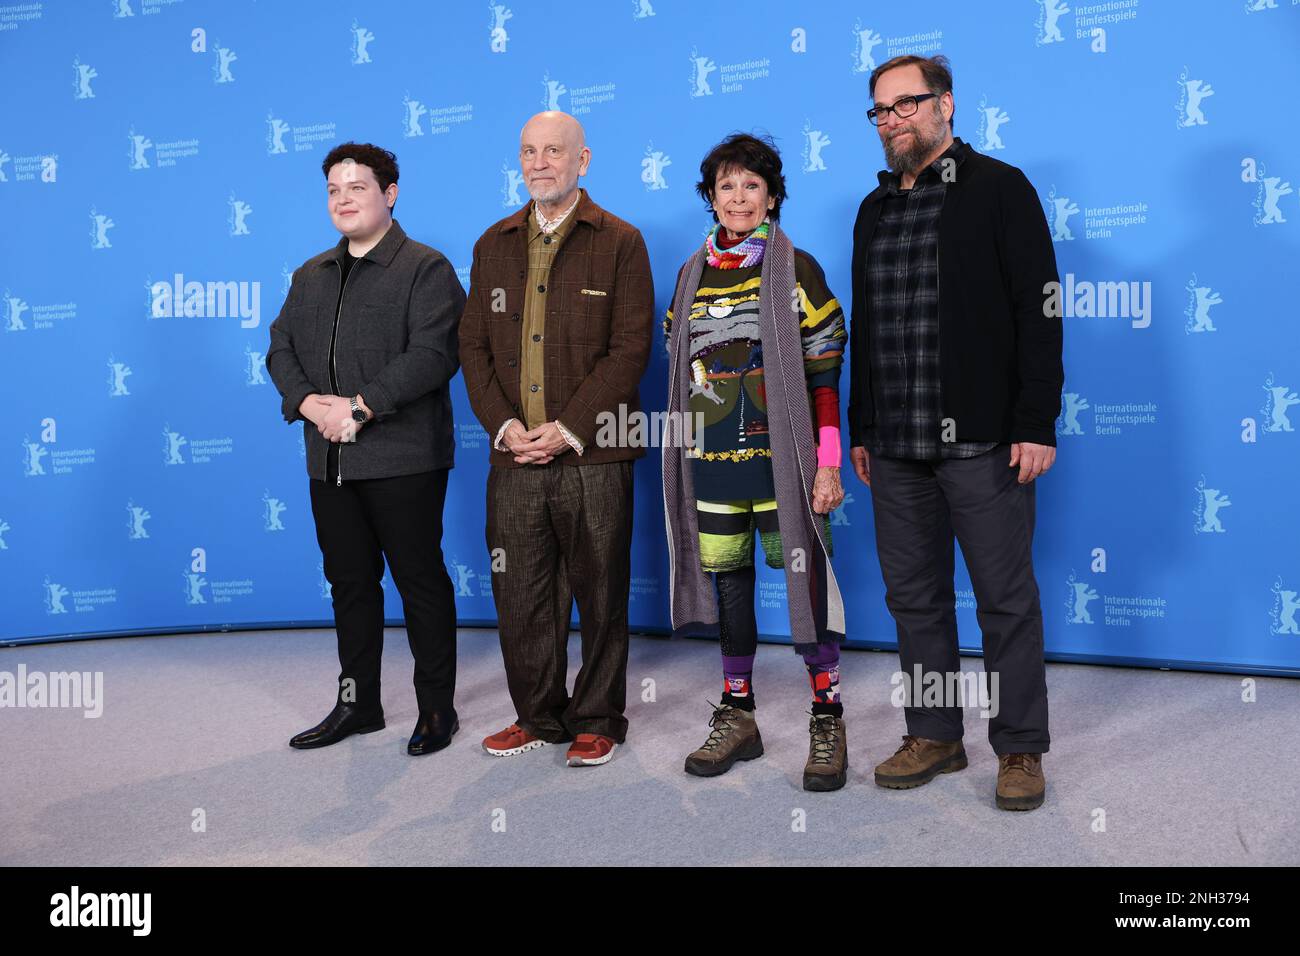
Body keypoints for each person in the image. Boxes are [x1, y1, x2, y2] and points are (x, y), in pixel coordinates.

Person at [847, 55, 1063, 810]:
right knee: (915, 600)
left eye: (906, 105)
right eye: (880, 111)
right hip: (898, 446)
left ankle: (1021, 749)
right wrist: (864, 425)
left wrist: (1036, 422)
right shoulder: (873, 210)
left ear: (945, 106)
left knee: (1005, 600)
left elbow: (1039, 311)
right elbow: (869, 327)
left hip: (982, 441)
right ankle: (935, 734)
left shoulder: (1000, 189)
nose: (892, 121)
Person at [459, 111, 654, 768]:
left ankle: (598, 718)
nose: (539, 162)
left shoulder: (621, 241)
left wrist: (569, 429)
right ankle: (537, 715)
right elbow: (473, 347)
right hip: (513, 457)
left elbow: (630, 350)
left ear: (583, 160)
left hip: (594, 457)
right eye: (528, 151)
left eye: (553, 151)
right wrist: (506, 427)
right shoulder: (492, 244)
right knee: (521, 593)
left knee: (601, 591)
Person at [663, 133, 850, 792]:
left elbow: (825, 372)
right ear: (710, 197)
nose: (737, 198)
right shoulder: (690, 274)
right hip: (712, 462)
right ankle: (737, 712)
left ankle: (827, 716)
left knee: (806, 583)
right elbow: (680, 368)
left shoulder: (796, 269)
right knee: (730, 582)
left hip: (786, 463)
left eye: (751, 186)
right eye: (726, 186)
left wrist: (828, 462)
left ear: (772, 195)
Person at [266, 142, 466, 756]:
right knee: (349, 585)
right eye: (333, 189)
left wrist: (358, 407)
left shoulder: (426, 269)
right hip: (329, 460)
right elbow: (281, 350)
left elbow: (434, 355)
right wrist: (309, 405)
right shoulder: (310, 275)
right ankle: (359, 704)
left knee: (419, 583)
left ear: (390, 193)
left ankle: (436, 709)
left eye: (356, 186)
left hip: (403, 458)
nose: (343, 198)